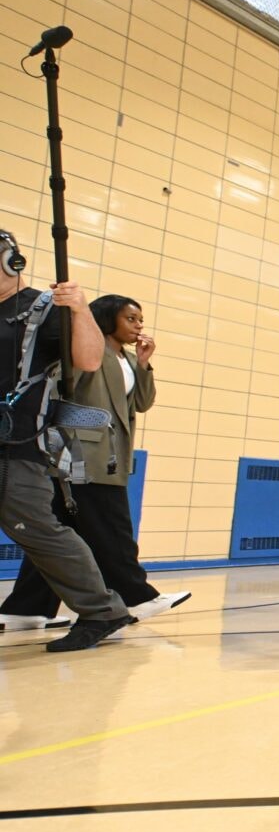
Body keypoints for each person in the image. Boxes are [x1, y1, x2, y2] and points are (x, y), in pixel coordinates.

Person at [0, 294, 191, 625]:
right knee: (112, 527)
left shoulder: (127, 359)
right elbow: (60, 390)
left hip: (111, 452)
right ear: (107, 318)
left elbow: (142, 403)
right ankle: (137, 597)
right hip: (81, 451)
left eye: (140, 320)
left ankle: (25, 608)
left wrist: (144, 364)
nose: (138, 326)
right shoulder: (88, 349)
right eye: (130, 318)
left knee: (56, 532)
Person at [0, 229, 132, 650]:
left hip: (17, 444)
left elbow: (89, 360)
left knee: (37, 528)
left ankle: (102, 610)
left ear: (10, 263)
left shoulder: (41, 309)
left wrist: (79, 309)